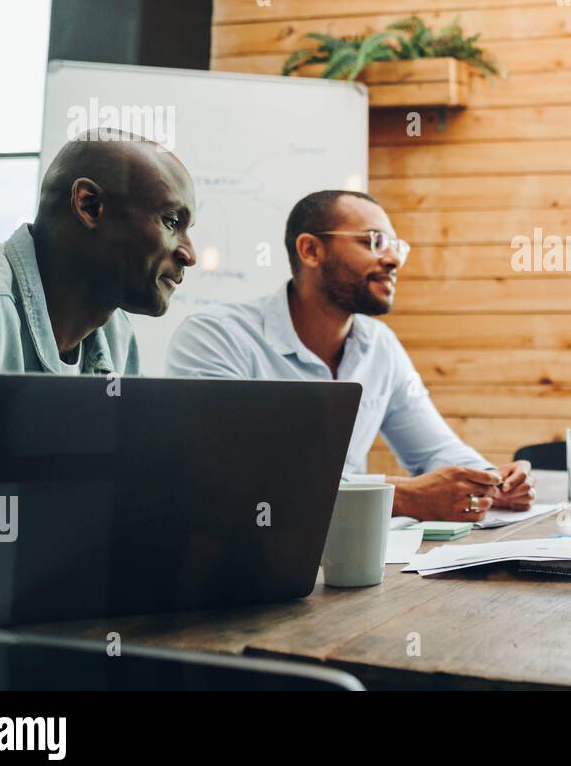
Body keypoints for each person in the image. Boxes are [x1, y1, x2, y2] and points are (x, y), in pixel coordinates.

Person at [0, 130, 197, 588]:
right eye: (170, 221)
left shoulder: (116, 337)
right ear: (89, 206)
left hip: (36, 608)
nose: (189, 253)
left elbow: (113, 504)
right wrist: (46, 536)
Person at [165, 190, 534, 522]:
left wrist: (492, 480)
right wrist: (400, 497)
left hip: (351, 554)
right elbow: (236, 477)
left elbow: (436, 450)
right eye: (373, 241)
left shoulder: (379, 345)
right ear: (310, 250)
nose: (392, 259)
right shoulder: (217, 337)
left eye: (395, 246)